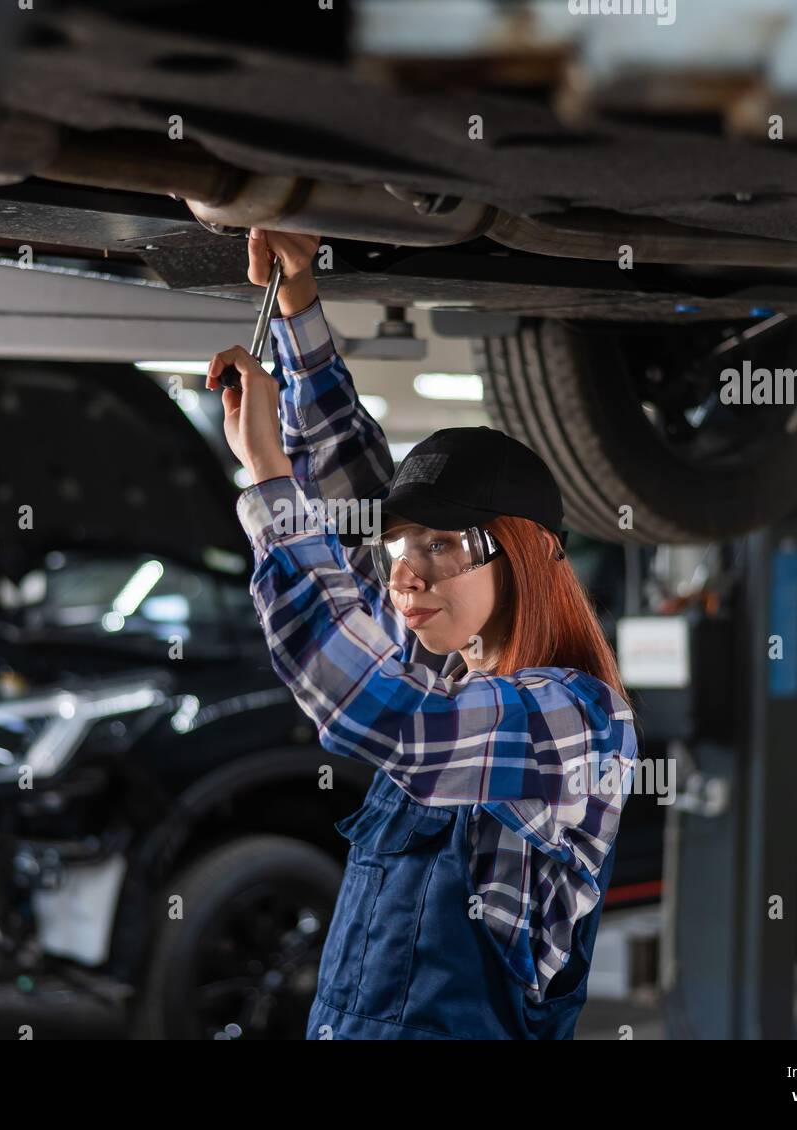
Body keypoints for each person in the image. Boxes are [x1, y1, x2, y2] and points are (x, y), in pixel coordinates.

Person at [206, 227, 640, 1041]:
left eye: (441, 546)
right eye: (401, 549)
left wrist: (268, 476)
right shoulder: (446, 665)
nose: (406, 575)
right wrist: (298, 298)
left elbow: (387, 717)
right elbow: (350, 481)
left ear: (523, 558)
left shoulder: (578, 722)